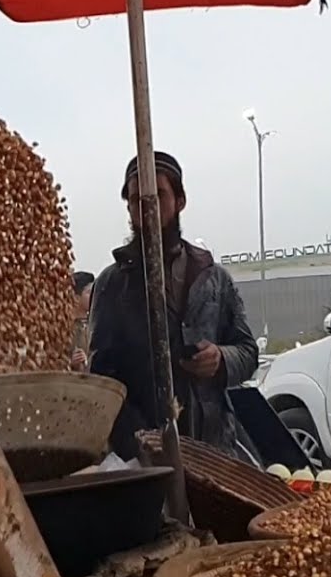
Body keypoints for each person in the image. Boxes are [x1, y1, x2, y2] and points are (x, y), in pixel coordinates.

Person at [88, 152, 262, 464]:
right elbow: (101, 380)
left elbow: (248, 352)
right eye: (136, 200)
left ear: (180, 201)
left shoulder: (213, 279)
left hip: (213, 449)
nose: (147, 209)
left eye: (158, 197)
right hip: (143, 460)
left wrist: (221, 359)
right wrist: (139, 438)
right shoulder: (112, 285)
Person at [69, 271, 95, 371]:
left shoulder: (95, 324)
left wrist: (87, 362)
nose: (93, 296)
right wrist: (70, 362)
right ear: (76, 297)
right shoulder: (65, 327)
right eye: (89, 292)